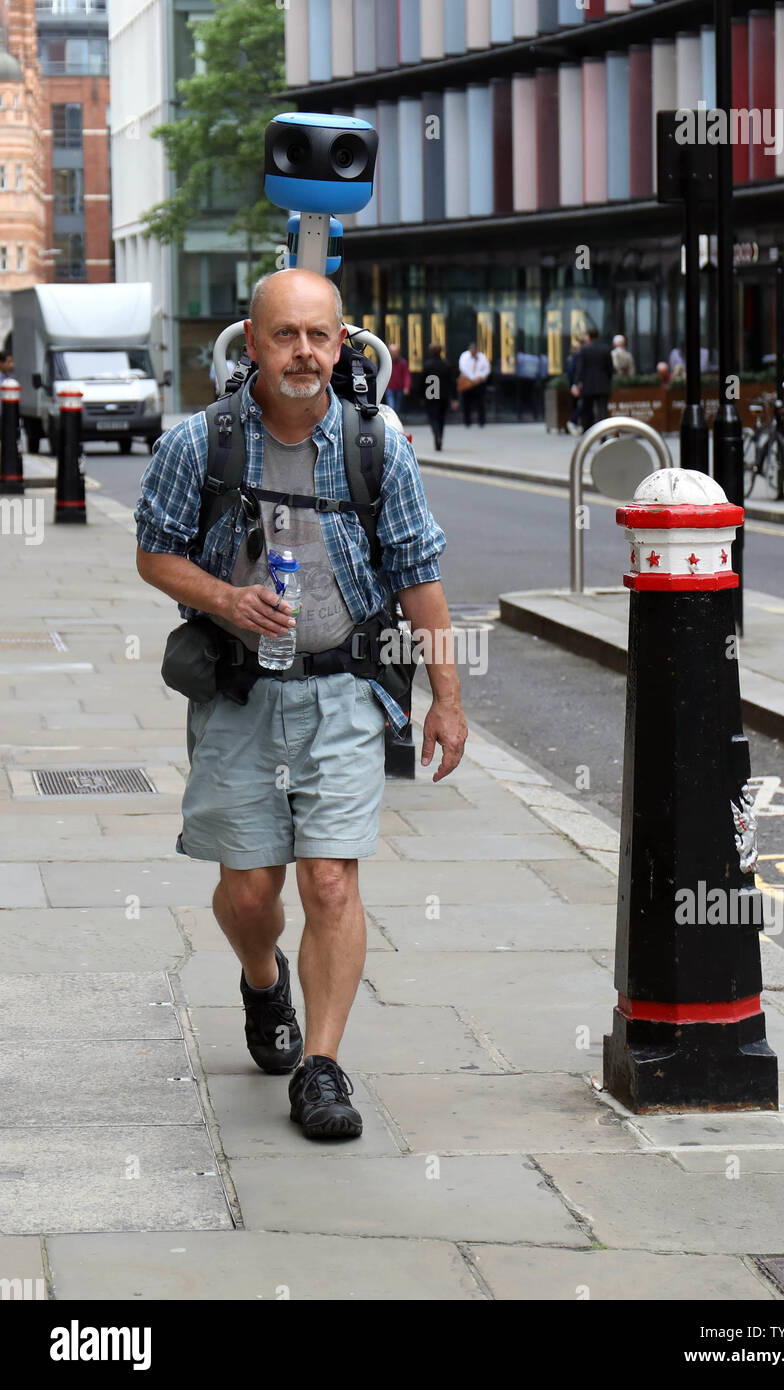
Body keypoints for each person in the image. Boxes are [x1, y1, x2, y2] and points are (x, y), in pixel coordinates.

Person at [134, 268, 468, 1140]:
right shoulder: (200, 444)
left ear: (343, 342)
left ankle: (320, 1069)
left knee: (329, 880)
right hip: (241, 693)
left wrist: (447, 698)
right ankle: (260, 979)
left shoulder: (375, 443)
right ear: (252, 344)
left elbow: (418, 570)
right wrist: (224, 598)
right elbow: (154, 555)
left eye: (320, 336)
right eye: (285, 335)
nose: (305, 353)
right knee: (248, 892)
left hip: (343, 693)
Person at [574, 325, 613, 433]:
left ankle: (587, 433)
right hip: (603, 384)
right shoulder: (606, 348)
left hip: (588, 384)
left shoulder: (585, 349)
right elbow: (610, 368)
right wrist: (608, 380)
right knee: (603, 410)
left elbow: (580, 368)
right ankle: (603, 434)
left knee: (587, 410)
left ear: (589, 336)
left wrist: (577, 383)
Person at [421, 341, 457, 451]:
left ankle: (436, 433)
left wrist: (421, 396)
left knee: (433, 417)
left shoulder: (427, 365)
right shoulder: (446, 365)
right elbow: (452, 382)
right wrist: (454, 397)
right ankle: (440, 435)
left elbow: (422, 382)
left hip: (431, 395)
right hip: (443, 395)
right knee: (441, 418)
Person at [457, 341, 490, 427]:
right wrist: (472, 378)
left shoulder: (482, 357)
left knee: (480, 403)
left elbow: (487, 369)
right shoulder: (464, 356)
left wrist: (479, 377)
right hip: (468, 382)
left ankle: (481, 421)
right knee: (466, 403)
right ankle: (467, 421)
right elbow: (463, 368)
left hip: (479, 383)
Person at [385, 342, 411, 415]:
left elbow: (406, 375)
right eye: (392, 352)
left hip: (399, 388)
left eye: (395, 352)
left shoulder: (403, 362)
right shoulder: (387, 362)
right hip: (390, 387)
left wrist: (406, 387)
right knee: (391, 406)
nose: (394, 354)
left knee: (397, 407)